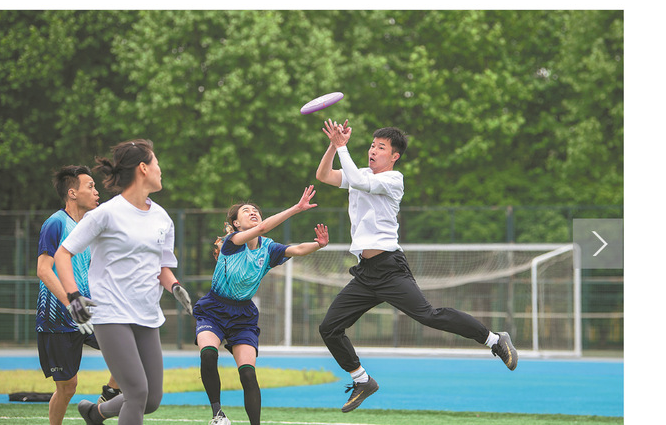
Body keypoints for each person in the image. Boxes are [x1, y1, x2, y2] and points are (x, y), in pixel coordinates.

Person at [315, 119, 518, 413]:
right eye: (371, 145)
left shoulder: (393, 179)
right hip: (365, 272)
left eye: (380, 147)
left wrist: (343, 148)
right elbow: (323, 175)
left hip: (389, 267)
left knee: (429, 315)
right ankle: (362, 380)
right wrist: (334, 146)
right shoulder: (357, 171)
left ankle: (494, 339)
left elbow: (360, 183)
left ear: (394, 156)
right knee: (329, 327)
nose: (372, 150)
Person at [54, 140, 194, 425]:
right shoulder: (105, 213)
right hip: (111, 315)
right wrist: (74, 296)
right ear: (143, 168)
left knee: (152, 398)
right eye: (156, 164)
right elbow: (63, 253)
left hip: (147, 315)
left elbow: (162, 268)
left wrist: (176, 287)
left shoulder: (163, 219)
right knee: (137, 392)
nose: (160, 170)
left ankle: (96, 413)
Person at [194, 186, 329, 425]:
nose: (253, 212)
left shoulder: (268, 248)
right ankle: (217, 415)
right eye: (246, 211)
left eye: (255, 210)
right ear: (235, 224)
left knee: (247, 373)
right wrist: (297, 208)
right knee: (208, 354)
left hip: (243, 314)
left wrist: (318, 244)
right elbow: (264, 227)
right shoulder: (232, 242)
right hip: (214, 309)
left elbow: (296, 249)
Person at [36, 165, 121, 425]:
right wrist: (72, 304)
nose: (97, 192)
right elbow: (43, 269)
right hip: (59, 318)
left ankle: (103, 404)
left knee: (127, 354)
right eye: (90, 186)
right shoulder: (55, 223)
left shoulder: (91, 225)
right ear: (72, 193)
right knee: (68, 387)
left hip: (92, 311)